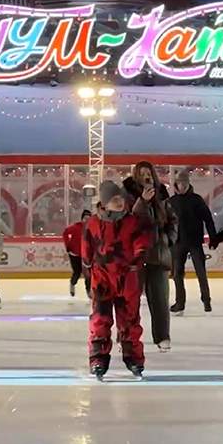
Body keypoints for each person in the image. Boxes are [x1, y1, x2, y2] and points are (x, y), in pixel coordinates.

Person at [83, 181, 151, 380]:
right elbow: (86, 249)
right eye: (114, 199)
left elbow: (141, 240)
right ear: (104, 203)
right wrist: (87, 269)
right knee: (100, 320)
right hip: (102, 279)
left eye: (121, 198)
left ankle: (134, 359)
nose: (119, 202)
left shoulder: (131, 222)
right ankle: (98, 358)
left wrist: (138, 256)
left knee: (129, 320)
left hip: (126, 278)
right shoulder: (93, 223)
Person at [123, 161, 175, 352]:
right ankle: (127, 337)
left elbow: (172, 220)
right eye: (142, 173)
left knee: (160, 300)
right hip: (135, 256)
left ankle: (162, 337)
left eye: (149, 173)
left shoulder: (162, 194)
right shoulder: (127, 194)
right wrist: (142, 201)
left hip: (158, 254)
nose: (146, 176)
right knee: (130, 301)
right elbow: (128, 220)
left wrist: (168, 239)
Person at [168, 169, 216, 314]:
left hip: (194, 241)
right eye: (179, 183)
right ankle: (180, 303)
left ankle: (206, 301)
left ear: (188, 184)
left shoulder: (196, 200)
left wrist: (213, 237)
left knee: (201, 272)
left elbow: (208, 218)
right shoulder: (172, 201)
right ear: (176, 184)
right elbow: (166, 222)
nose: (182, 186)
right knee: (177, 274)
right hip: (178, 242)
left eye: (184, 183)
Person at [63, 210, 92, 297]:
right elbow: (65, 233)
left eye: (88, 218)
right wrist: (68, 245)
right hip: (75, 254)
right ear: (82, 218)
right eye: (85, 218)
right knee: (77, 272)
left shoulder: (91, 228)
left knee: (88, 274)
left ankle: (88, 291)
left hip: (86, 255)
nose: (86, 220)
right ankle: (72, 284)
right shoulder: (76, 227)